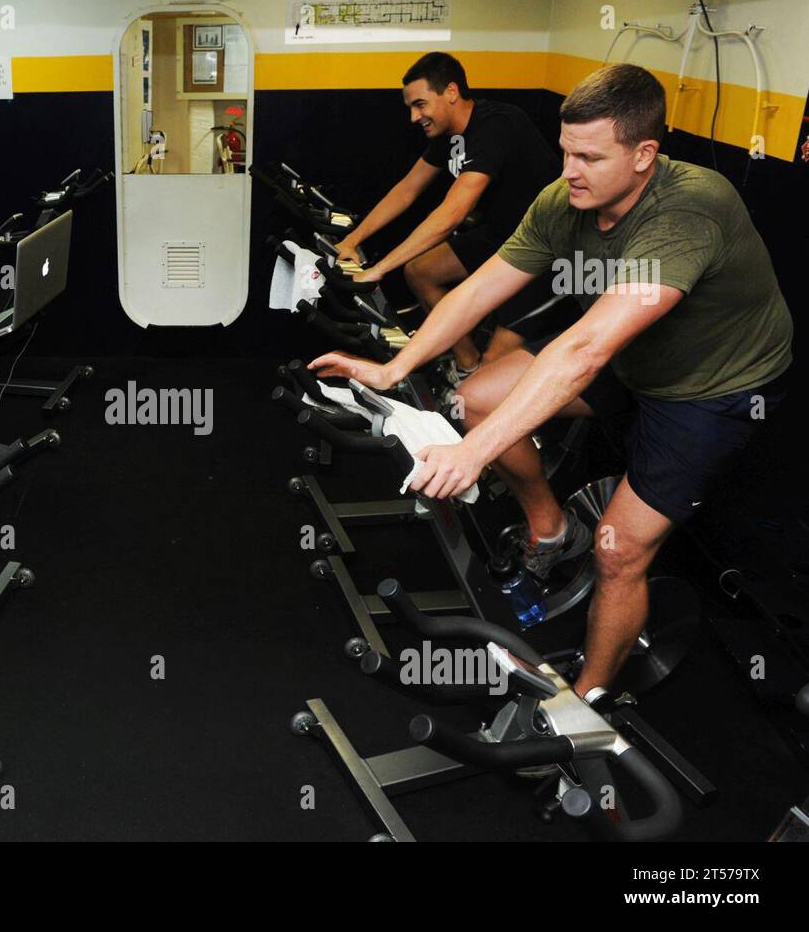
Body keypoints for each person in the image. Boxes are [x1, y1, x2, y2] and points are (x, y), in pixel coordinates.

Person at [312, 64, 792, 700]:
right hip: (635, 356)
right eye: (567, 151)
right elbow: (482, 286)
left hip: (711, 388)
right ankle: (550, 528)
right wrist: (391, 368)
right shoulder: (564, 199)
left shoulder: (690, 209)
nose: (570, 171)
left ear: (645, 153)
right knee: (474, 397)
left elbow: (587, 347)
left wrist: (471, 457)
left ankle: (585, 703)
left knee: (618, 552)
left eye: (590, 157)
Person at [335, 52, 565, 378]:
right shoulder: (450, 136)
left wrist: (379, 269)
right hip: (504, 235)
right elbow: (407, 189)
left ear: (451, 92)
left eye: (420, 104)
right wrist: (352, 240)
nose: (415, 117)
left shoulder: (498, 124)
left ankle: (480, 381)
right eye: (411, 108)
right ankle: (466, 365)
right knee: (420, 271)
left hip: (547, 252)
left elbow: (453, 213)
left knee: (496, 362)